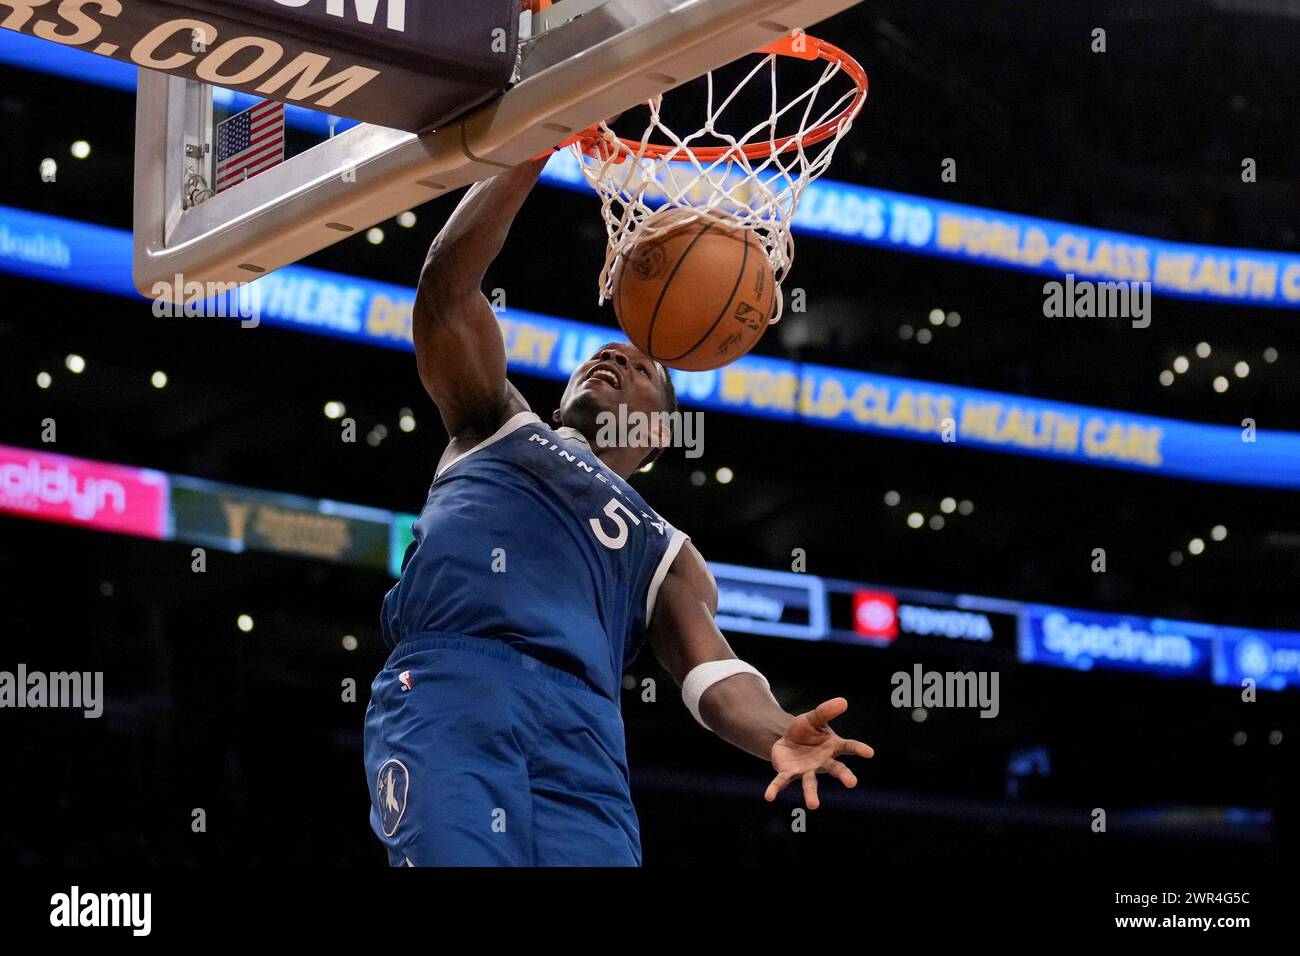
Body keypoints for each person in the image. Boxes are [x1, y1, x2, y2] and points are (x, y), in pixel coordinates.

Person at [363, 157, 874, 866]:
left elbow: (712, 673)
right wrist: (531, 148)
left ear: (658, 433)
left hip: (585, 729)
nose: (614, 359)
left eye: (642, 369)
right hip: (458, 683)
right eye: (600, 356)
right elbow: (447, 290)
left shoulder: (669, 548)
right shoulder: (496, 422)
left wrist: (775, 732)